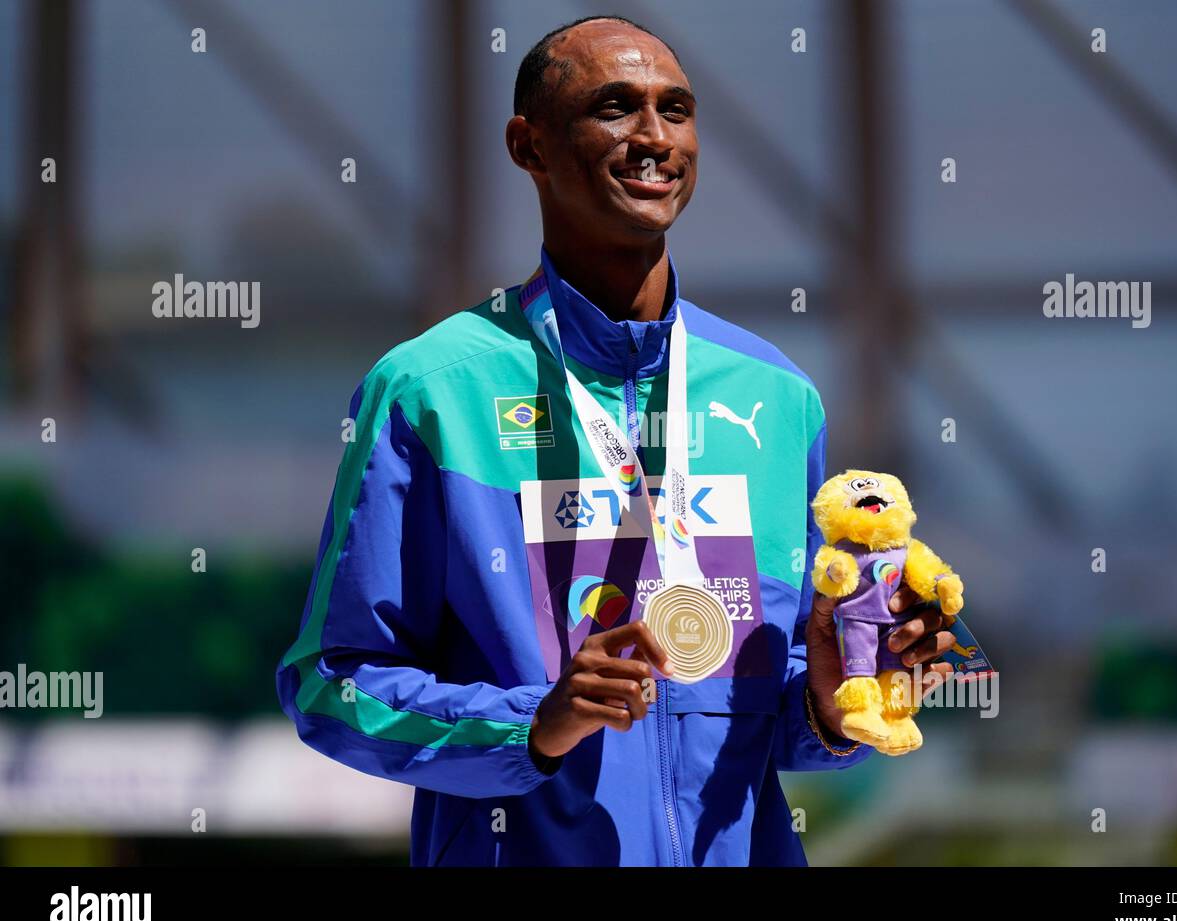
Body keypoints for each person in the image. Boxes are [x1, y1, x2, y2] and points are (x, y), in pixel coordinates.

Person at [276, 14, 955, 866]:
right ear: (529, 145)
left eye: (676, 109)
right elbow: (332, 686)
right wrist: (536, 722)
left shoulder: (775, 395)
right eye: (614, 107)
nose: (653, 138)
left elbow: (768, 726)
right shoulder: (431, 390)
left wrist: (831, 690)